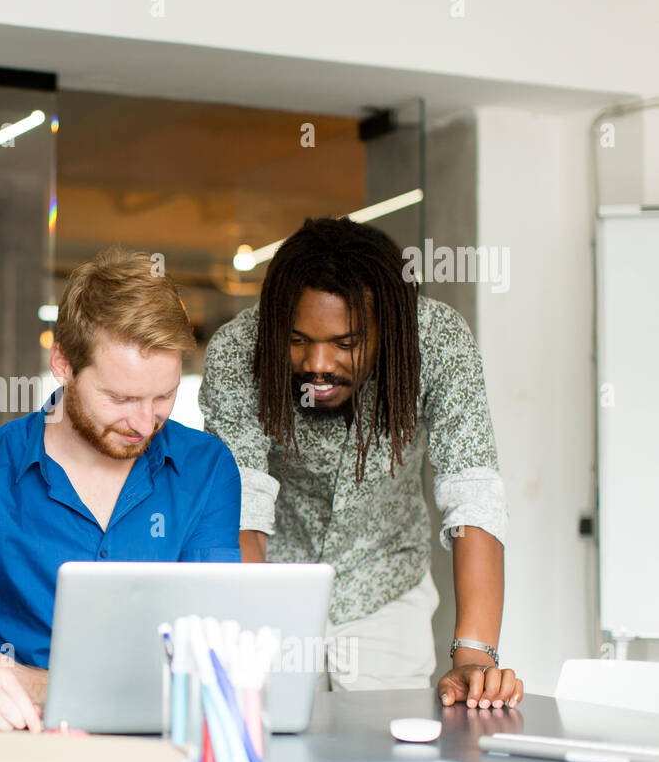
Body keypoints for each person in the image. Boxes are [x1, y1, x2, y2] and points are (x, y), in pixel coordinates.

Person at [0, 248, 242, 731]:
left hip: (168, 748)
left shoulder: (206, 469)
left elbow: (214, 659)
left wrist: (35, 682)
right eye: (119, 397)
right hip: (28, 750)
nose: (143, 423)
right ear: (63, 364)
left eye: (164, 397)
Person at [199, 217, 523, 709]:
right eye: (298, 339)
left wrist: (474, 656)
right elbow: (240, 501)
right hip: (275, 583)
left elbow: (472, 491)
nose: (318, 363)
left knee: (387, 756)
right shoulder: (239, 350)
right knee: (273, 741)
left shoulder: (437, 343)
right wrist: (253, 636)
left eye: (345, 344)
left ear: (387, 330)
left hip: (387, 583)